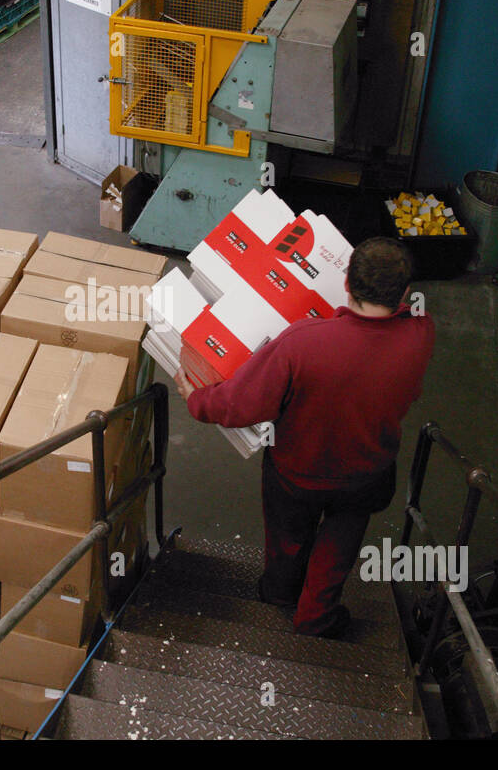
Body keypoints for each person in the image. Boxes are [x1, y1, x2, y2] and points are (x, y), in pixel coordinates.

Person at [176, 236, 435, 639]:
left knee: (287, 537)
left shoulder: (303, 342)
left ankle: (279, 595)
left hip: (296, 472)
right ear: (404, 294)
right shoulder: (419, 336)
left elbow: (242, 405)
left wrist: (198, 400)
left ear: (347, 283)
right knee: (338, 547)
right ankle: (315, 616)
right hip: (364, 476)